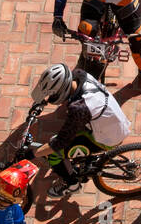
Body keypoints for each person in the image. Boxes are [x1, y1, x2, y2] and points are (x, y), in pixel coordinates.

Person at [30, 63, 132, 195]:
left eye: (53, 95)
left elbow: (58, 144)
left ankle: (72, 185)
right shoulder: (80, 75)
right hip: (112, 120)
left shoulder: (79, 108)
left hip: (108, 137)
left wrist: (33, 154)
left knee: (53, 153)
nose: (52, 98)